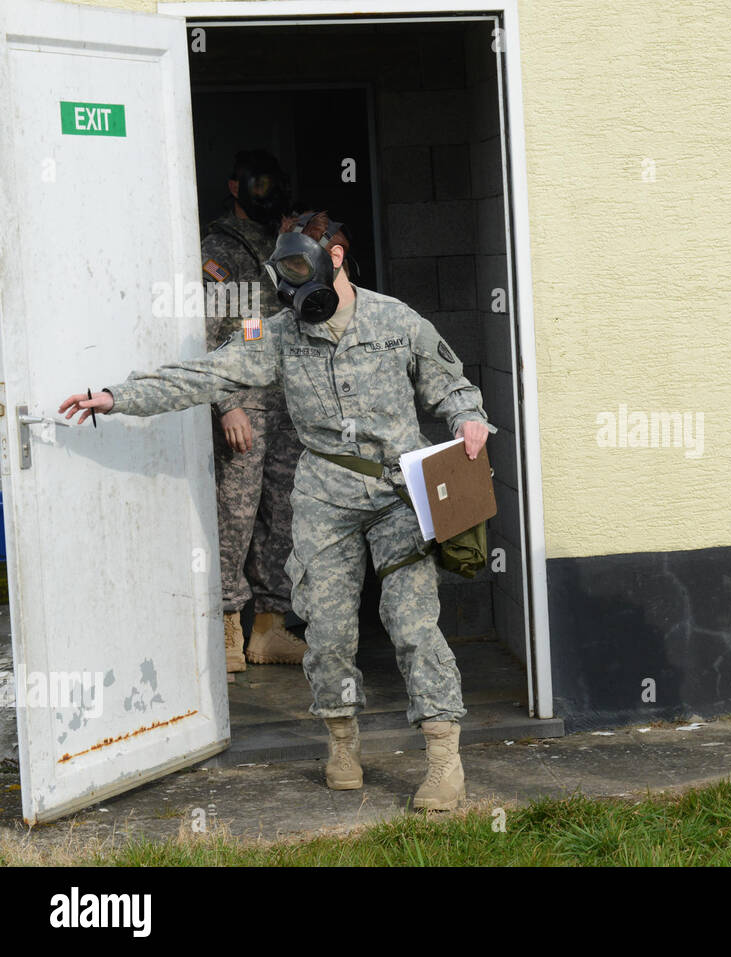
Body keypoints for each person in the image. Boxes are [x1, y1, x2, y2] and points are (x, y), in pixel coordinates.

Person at [61, 211, 493, 812]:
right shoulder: (279, 335)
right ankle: (343, 744)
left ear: (333, 259)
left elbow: (450, 384)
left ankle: (445, 761)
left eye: (300, 269)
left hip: (399, 493)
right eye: (282, 275)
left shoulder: (396, 319)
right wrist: (117, 396)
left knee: (414, 625)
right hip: (325, 497)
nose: (292, 286)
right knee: (329, 632)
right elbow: (204, 374)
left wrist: (466, 417)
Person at [201, 149, 306, 675]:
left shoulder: (284, 245)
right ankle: (225, 629)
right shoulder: (220, 250)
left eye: (274, 182)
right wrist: (226, 405)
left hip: (287, 403)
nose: (267, 191)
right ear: (235, 188)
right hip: (244, 405)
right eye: (257, 183)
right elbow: (209, 336)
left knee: (281, 515)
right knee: (234, 518)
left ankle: (268, 629)